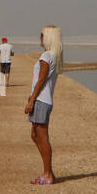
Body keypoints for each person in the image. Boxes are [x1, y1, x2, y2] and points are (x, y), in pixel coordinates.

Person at [24, 25, 63, 185]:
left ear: (48, 37)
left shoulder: (47, 56)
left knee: (42, 137)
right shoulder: (53, 55)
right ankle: (49, 173)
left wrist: (32, 99)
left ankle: (47, 175)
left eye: (42, 35)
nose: (39, 37)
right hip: (42, 99)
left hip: (41, 100)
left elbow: (41, 80)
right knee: (35, 135)